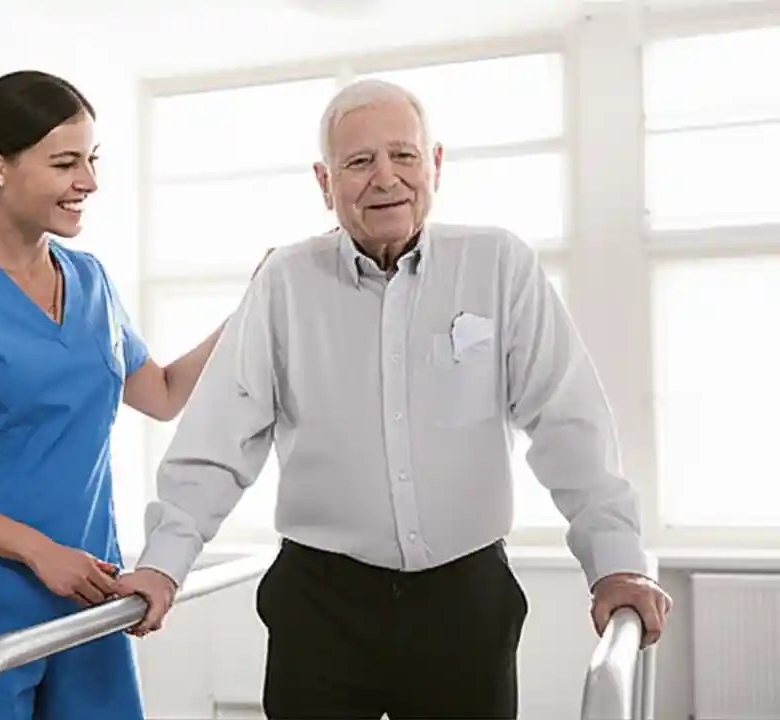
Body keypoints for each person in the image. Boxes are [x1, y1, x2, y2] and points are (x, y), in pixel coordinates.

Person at [116, 78, 674, 719]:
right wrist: (163, 565)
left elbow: (570, 424)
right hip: (321, 604)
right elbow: (218, 439)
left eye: (403, 156)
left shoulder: (498, 265)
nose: (386, 179)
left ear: (434, 165)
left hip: (465, 604)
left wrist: (616, 564)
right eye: (359, 162)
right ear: (325, 183)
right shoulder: (285, 282)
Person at [0, 70, 249, 720]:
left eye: (91, 160)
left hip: (87, 599)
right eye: (65, 162)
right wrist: (38, 551)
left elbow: (160, 393)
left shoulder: (91, 280)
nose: (89, 182)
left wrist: (252, 310)